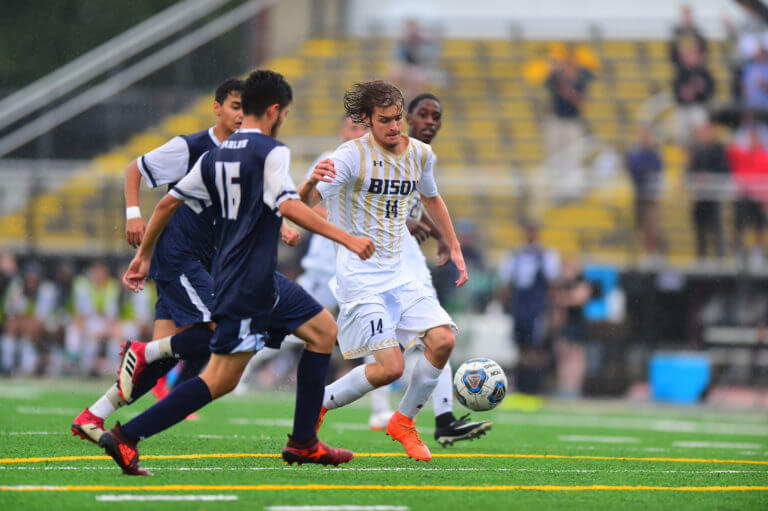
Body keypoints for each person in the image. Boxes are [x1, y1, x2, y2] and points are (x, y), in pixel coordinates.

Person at [99, 69, 374, 475]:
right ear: (276, 110)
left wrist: (143, 257)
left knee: (322, 331)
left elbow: (165, 204)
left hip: (246, 276)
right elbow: (287, 207)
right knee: (220, 379)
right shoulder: (271, 150)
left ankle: (303, 442)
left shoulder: (216, 153)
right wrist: (346, 238)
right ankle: (126, 436)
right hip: (248, 282)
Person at [298, 80, 468, 461]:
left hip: (399, 274)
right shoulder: (349, 157)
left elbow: (432, 197)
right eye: (384, 120)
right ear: (367, 120)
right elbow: (303, 204)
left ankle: (403, 421)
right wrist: (310, 182)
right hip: (360, 280)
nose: (394, 127)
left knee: (443, 340)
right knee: (389, 368)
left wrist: (454, 245)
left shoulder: (421, 155)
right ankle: (316, 406)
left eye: (397, 119)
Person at [70, 78, 246, 444]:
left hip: (203, 262)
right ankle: (141, 351)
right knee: (221, 328)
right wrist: (135, 214)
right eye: (235, 106)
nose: (242, 114)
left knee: (158, 363)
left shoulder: (247, 156)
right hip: (180, 257)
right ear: (217, 108)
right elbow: (134, 168)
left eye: (248, 108)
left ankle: (92, 415)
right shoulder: (191, 147)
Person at [363, 93, 491, 446]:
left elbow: (422, 205)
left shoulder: (422, 159)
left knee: (438, 335)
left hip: (406, 263)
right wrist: (408, 223)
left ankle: (442, 417)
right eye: (423, 114)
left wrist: (439, 236)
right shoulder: (383, 153)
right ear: (406, 118)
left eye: (437, 116)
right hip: (369, 262)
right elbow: (369, 204)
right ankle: (340, 403)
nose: (431, 122)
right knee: (378, 346)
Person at [497, 222, 560, 405]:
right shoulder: (514, 256)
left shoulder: (546, 256)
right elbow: (505, 283)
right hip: (520, 308)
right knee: (520, 347)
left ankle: (534, 389)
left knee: (536, 347)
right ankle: (521, 389)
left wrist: (554, 310)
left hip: (537, 308)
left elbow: (552, 284)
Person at [543, 49, 593, 182]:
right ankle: (555, 181)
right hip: (556, 120)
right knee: (554, 152)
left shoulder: (581, 78)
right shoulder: (555, 77)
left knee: (574, 154)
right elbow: (547, 83)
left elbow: (581, 101)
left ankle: (573, 183)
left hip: (573, 122)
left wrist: (567, 88)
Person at [688, 123, 731, 259]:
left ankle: (720, 258)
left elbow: (725, 170)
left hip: (714, 196)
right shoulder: (698, 151)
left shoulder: (720, 150)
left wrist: (709, 176)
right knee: (700, 229)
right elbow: (691, 170)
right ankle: (702, 257)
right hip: (700, 196)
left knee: (716, 229)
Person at [551, 258, 591, 398]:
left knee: (576, 358)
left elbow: (579, 298)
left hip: (576, 326)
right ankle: (564, 386)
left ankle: (574, 388)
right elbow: (557, 301)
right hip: (564, 327)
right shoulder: (562, 285)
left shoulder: (581, 283)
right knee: (563, 357)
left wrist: (565, 298)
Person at [625, 127, 664, 256]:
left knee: (653, 225)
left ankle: (654, 251)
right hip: (639, 195)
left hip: (651, 196)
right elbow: (634, 171)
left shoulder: (654, 155)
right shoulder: (636, 154)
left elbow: (656, 170)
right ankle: (646, 251)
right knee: (641, 226)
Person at [672, 45, 715, 147]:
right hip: (683, 108)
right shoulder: (681, 73)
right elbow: (676, 92)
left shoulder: (704, 73)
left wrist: (700, 90)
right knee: (682, 137)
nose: (692, 57)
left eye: (694, 55)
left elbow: (710, 92)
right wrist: (684, 95)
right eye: (690, 55)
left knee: (700, 130)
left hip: (698, 106)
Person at [669, 4, 708, 71]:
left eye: (688, 15)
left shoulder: (697, 33)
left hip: (696, 69)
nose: (687, 18)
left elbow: (704, 50)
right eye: (685, 15)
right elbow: (672, 53)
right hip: (681, 69)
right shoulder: (676, 34)